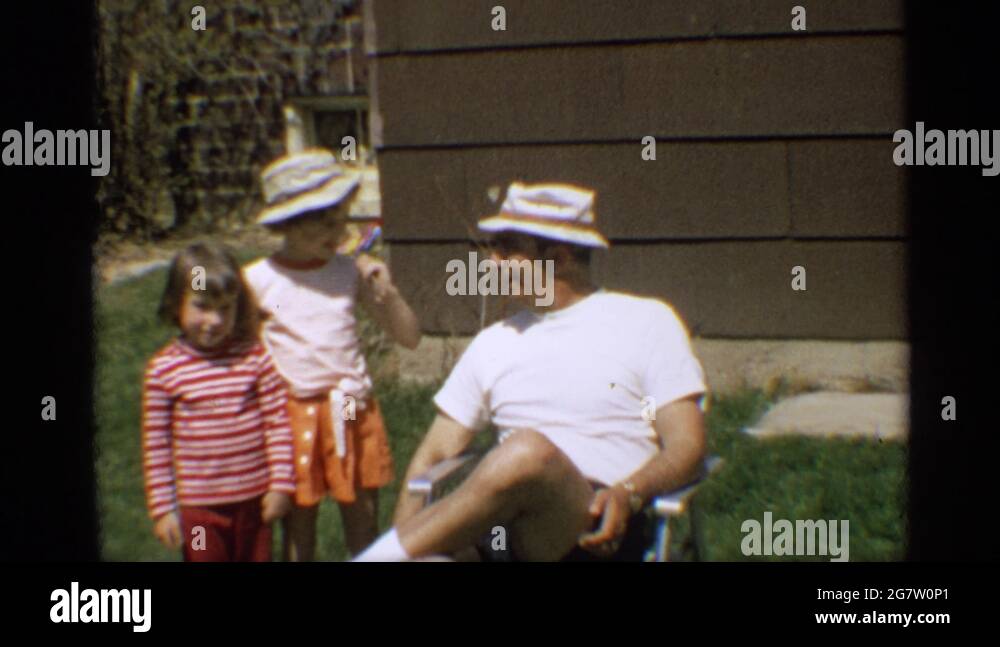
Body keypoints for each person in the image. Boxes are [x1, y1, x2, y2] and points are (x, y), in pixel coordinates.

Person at [354, 182, 708, 562]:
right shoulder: (493, 342)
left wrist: (630, 492)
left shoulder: (646, 322)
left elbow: (687, 446)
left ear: (556, 257)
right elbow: (432, 457)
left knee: (527, 452)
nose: (490, 261)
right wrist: (410, 541)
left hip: (599, 525)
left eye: (507, 247)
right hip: (502, 533)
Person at [244, 148, 421, 561]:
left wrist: (387, 293)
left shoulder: (348, 272)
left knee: (362, 522)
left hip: (352, 410)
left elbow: (409, 337)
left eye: (342, 221)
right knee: (299, 527)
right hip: (293, 413)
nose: (338, 233)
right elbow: (243, 356)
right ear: (288, 222)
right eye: (325, 223)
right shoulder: (257, 279)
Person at [142, 242, 295, 562]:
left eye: (224, 308)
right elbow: (156, 444)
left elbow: (277, 423)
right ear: (176, 305)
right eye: (202, 306)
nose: (213, 320)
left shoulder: (253, 358)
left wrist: (281, 484)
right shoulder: (164, 370)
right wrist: (163, 509)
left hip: (253, 502)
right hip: (199, 510)